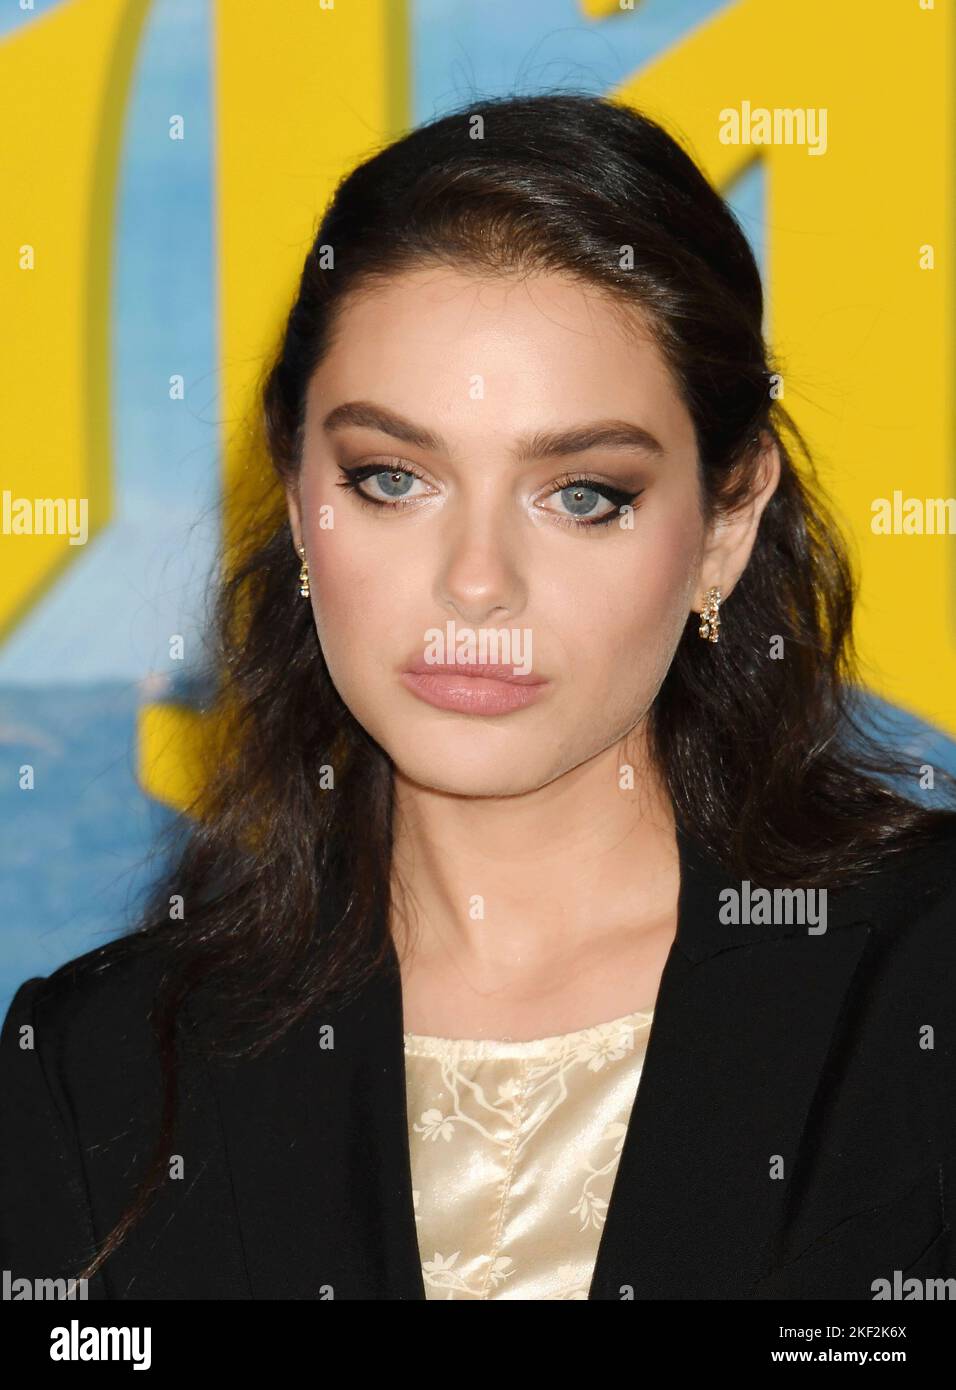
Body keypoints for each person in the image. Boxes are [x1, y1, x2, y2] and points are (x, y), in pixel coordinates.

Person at [2, 92, 955, 1302]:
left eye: (583, 493)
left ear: (725, 523)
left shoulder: (921, 984)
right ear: (297, 495)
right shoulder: (100, 1072)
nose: (474, 580)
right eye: (391, 477)